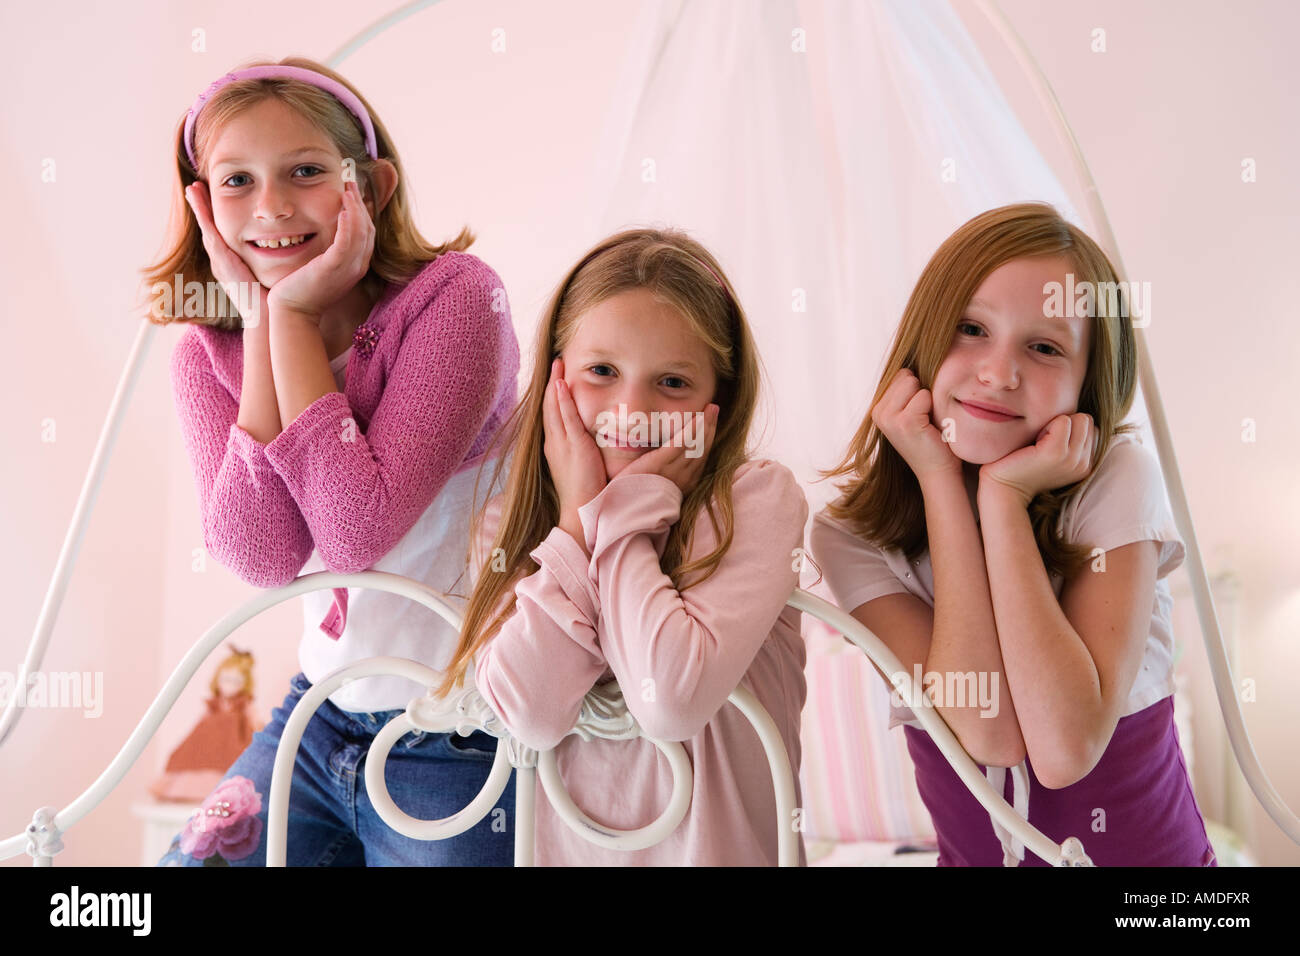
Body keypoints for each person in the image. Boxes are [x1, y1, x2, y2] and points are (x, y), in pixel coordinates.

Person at [143, 57, 520, 866]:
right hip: (318, 715)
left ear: (372, 188)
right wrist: (261, 327)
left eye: (305, 172)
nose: (272, 207)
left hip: (452, 729)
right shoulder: (207, 353)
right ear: (202, 207)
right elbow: (262, 555)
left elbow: (357, 532)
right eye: (236, 181)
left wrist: (291, 317)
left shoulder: (456, 300)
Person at [808, 202, 1216, 867]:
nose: (999, 372)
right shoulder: (851, 536)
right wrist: (944, 485)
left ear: (1088, 384)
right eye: (971, 329)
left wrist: (1002, 501)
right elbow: (989, 730)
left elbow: (1063, 751)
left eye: (1045, 346)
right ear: (922, 341)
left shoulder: (1118, 481)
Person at [436, 228, 809, 865]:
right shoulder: (510, 526)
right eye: (602, 371)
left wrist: (620, 514)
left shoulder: (755, 503)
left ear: (717, 401)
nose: (631, 409)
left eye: (672, 383)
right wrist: (580, 526)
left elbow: (670, 702)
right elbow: (531, 717)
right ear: (556, 379)